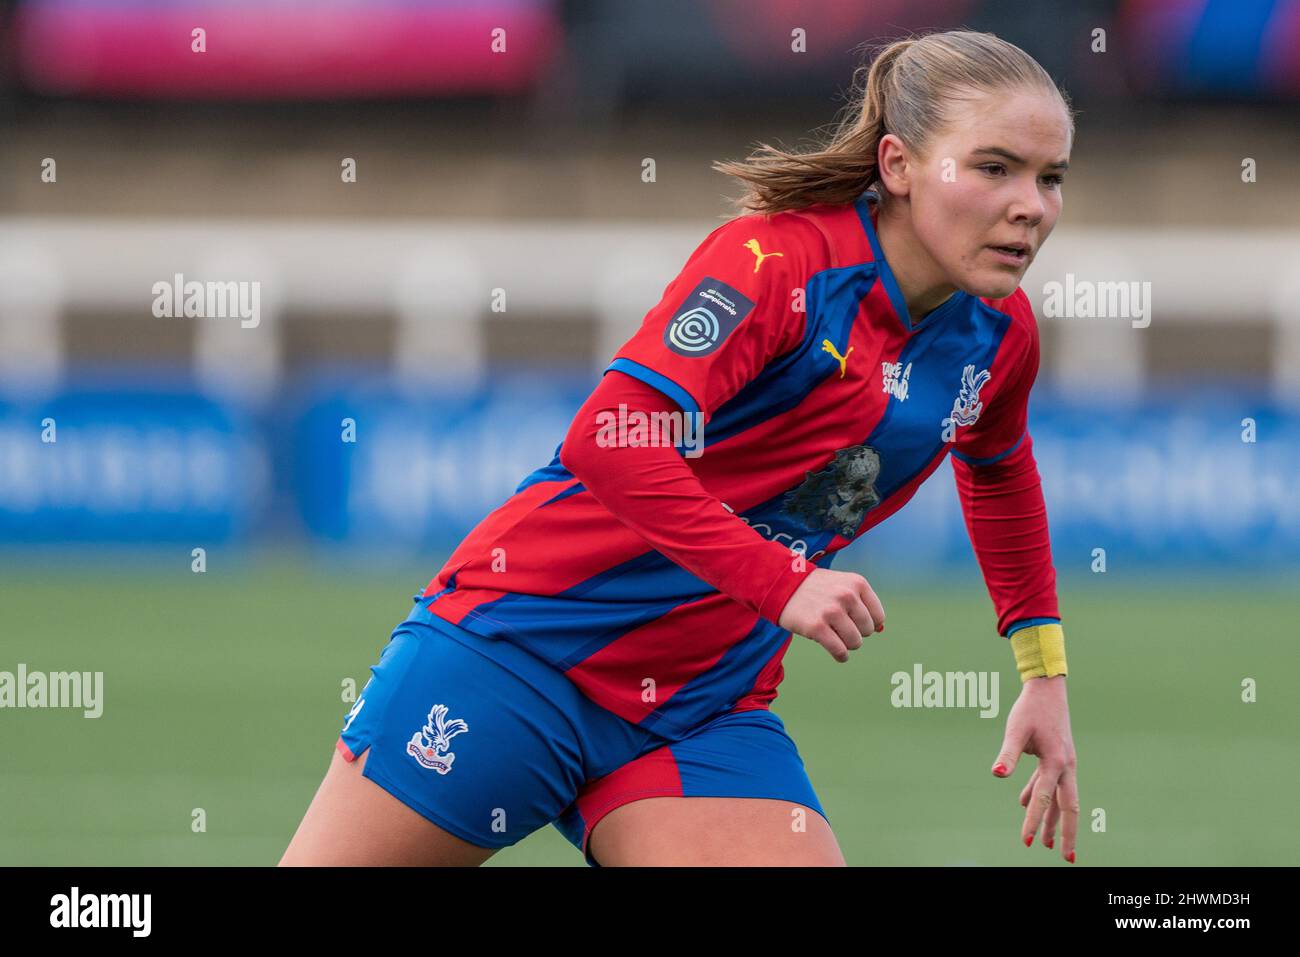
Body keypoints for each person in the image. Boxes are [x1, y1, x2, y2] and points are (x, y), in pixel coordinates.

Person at [280, 28, 1077, 867]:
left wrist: (1044, 673)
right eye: (994, 168)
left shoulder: (1000, 335)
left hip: (701, 708)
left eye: (1050, 177)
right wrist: (781, 579)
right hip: (522, 650)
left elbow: (999, 467)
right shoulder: (779, 263)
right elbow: (608, 438)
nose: (1032, 204)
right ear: (898, 164)